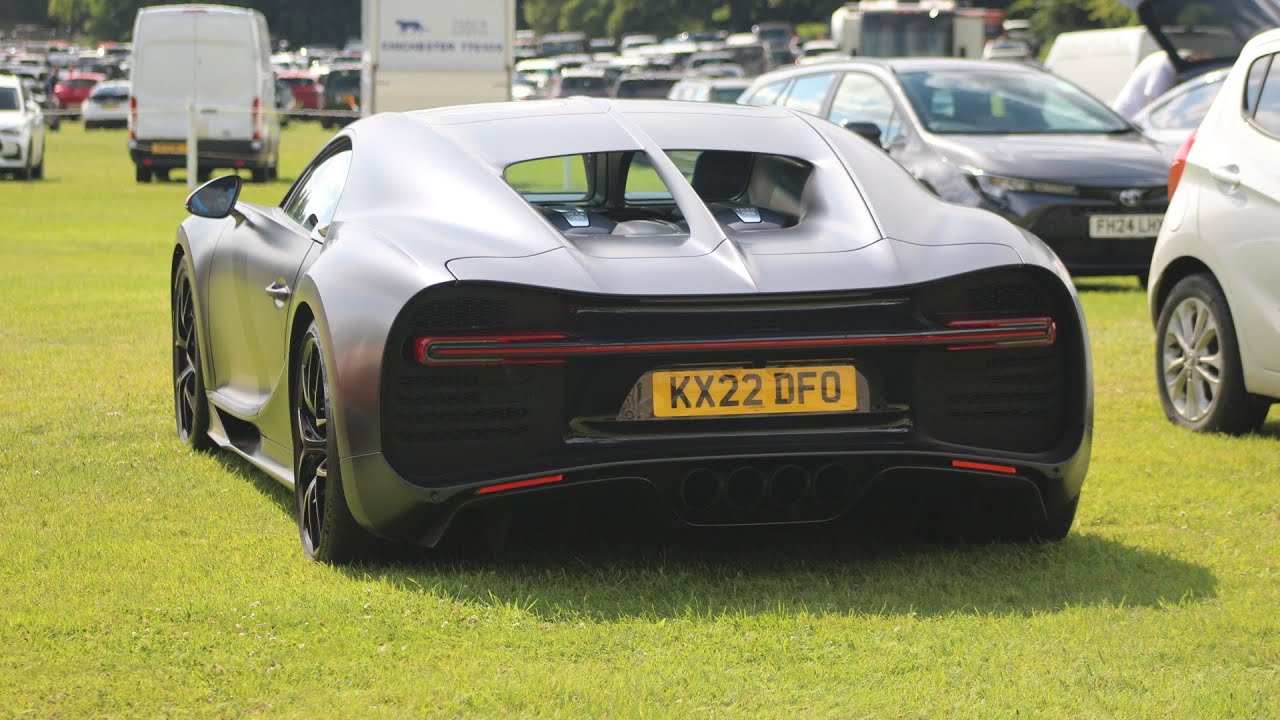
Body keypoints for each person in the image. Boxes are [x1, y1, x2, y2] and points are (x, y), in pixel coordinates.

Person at [1111, 50, 1176, 120]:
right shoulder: (1164, 67)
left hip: (1124, 117)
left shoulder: (1159, 57)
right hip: (1128, 119)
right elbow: (1154, 106)